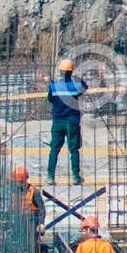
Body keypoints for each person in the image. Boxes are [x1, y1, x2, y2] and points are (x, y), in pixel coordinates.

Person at [47, 57, 87, 186]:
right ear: (71, 72)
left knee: (54, 149)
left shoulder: (54, 86)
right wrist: (79, 79)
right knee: (74, 150)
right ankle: (76, 177)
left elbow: (51, 99)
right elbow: (84, 87)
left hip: (58, 122)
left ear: (60, 72)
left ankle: (50, 177)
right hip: (72, 122)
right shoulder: (75, 86)